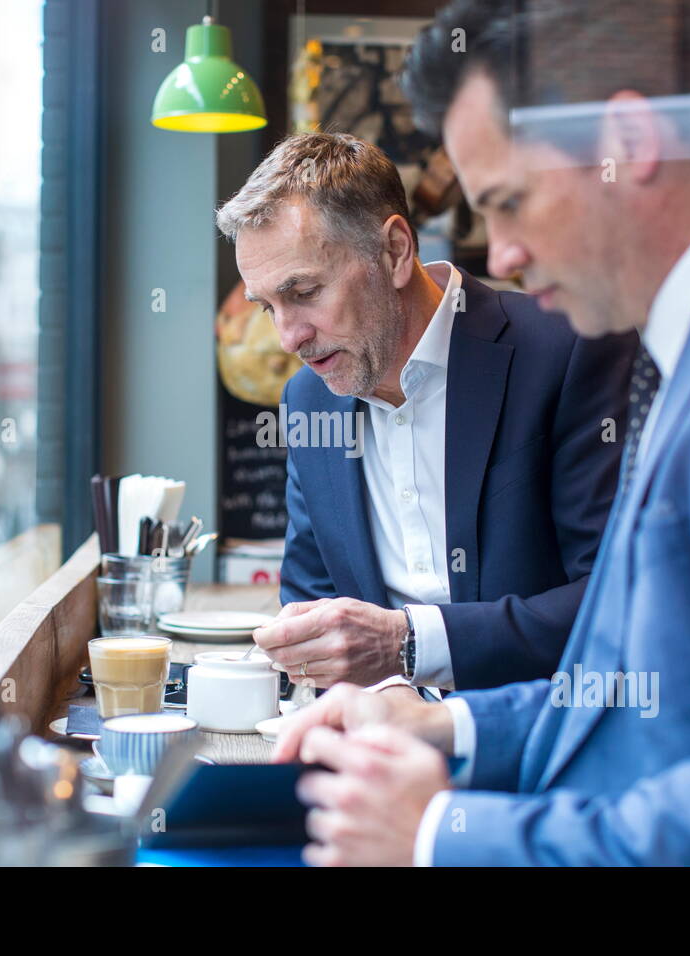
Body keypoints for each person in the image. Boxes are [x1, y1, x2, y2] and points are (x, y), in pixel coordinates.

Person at [274, 0, 690, 866]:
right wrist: (439, 719)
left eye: (512, 201)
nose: (506, 255)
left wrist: (441, 836)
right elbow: (649, 684)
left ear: (629, 146)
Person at [215, 131, 636, 693]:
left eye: (305, 292)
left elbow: (620, 598)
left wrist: (407, 645)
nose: (289, 338)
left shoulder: (569, 348)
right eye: (268, 307)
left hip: (545, 745)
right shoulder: (309, 401)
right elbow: (313, 608)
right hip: (377, 754)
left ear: (394, 251)